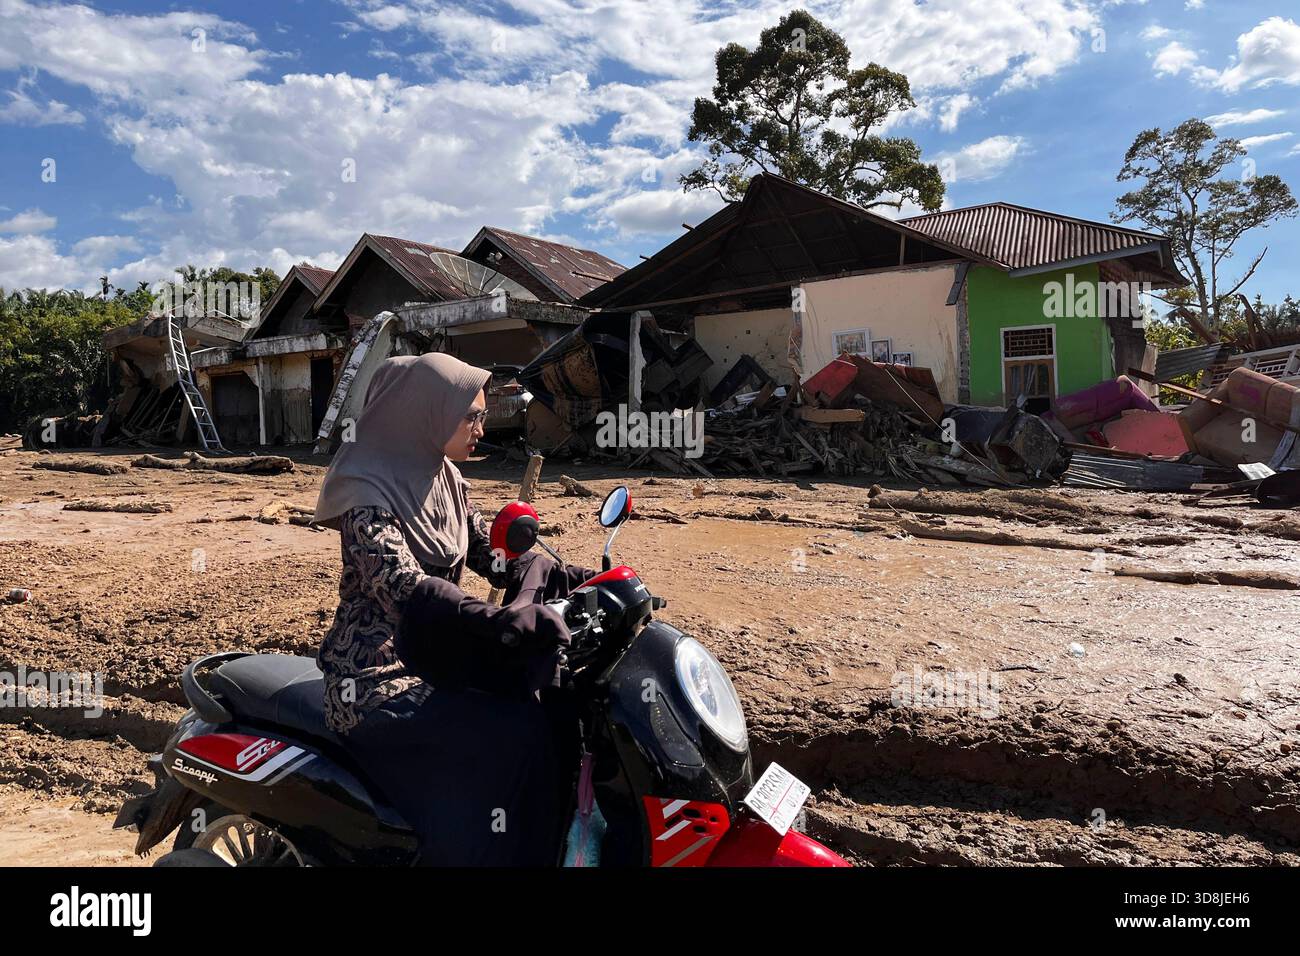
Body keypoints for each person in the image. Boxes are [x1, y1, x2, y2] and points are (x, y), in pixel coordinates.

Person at [313, 352, 592, 866]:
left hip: (440, 661)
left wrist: (573, 576)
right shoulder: (364, 491)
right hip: (376, 681)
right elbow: (401, 585)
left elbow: (495, 555)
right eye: (471, 416)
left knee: (549, 712)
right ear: (422, 411)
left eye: (482, 415)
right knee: (509, 739)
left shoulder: (447, 479)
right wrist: (497, 619)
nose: (482, 428)